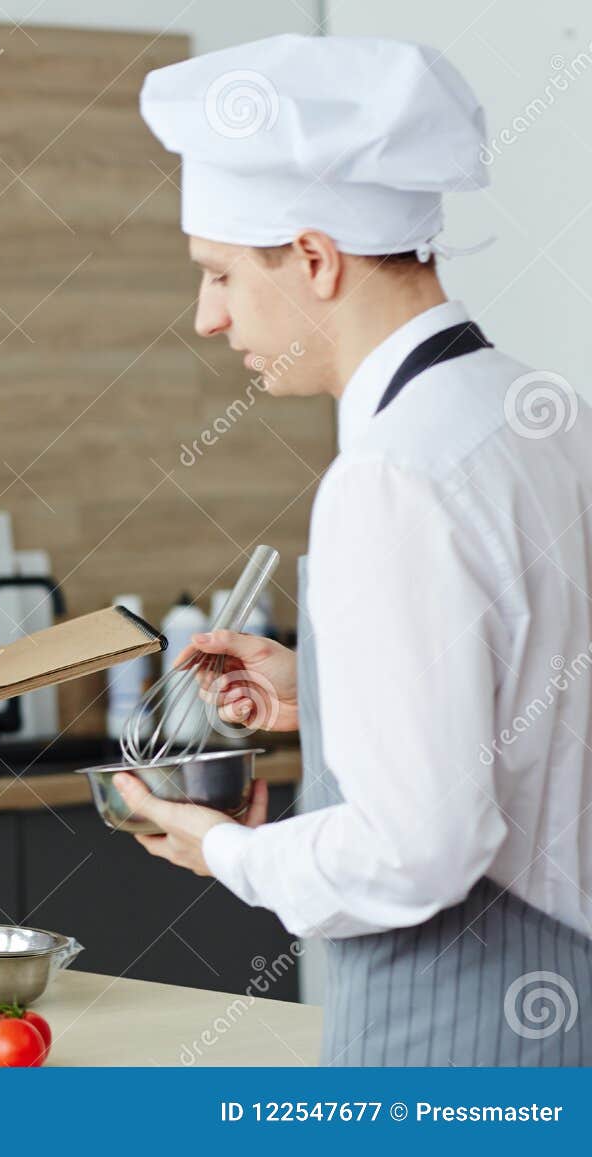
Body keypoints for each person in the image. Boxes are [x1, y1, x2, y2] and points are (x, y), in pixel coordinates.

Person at [116, 34, 592, 1065]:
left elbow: (419, 849)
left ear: (317, 258)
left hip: (462, 1025)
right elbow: (541, 698)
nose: (207, 316)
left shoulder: (388, 473)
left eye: (221, 275)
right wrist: (327, 694)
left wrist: (228, 850)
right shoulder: (543, 413)